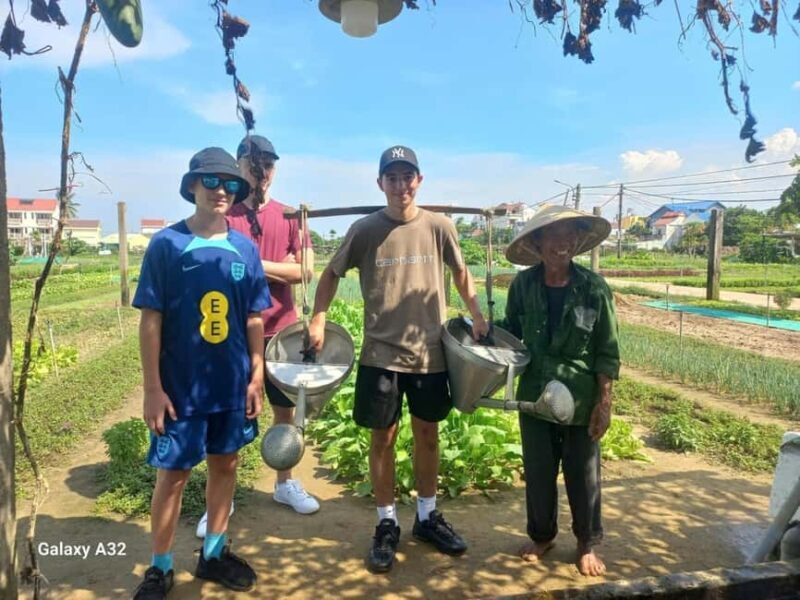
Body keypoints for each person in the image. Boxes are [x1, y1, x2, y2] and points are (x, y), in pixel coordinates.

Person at [308, 145, 490, 573]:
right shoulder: (365, 229)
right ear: (380, 184)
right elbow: (331, 273)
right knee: (382, 439)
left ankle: (427, 515)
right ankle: (386, 522)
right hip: (381, 355)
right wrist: (318, 318)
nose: (400, 185)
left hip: (431, 354)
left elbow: (461, 271)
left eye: (408, 176)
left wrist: (478, 312)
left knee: (428, 435)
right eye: (392, 177)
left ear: (419, 181)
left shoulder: (440, 227)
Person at [132, 147, 271, 598]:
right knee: (173, 474)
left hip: (230, 384)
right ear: (191, 185)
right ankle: (160, 565)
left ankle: (213, 552)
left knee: (225, 464)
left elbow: (253, 317)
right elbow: (150, 319)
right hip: (180, 388)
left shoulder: (245, 249)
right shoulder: (167, 245)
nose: (221, 191)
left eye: (231, 184)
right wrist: (153, 388)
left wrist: (256, 374)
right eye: (211, 181)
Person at [194, 135, 318, 537]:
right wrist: (275, 266)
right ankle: (222, 498)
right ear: (239, 167)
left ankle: (284, 484)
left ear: (275, 169)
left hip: (283, 329)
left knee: (285, 411)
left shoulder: (290, 216)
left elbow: (305, 272)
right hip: (232, 332)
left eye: (267, 163)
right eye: (252, 163)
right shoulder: (225, 214)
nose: (260, 171)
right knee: (230, 411)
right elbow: (216, 263)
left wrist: (250, 262)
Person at [500, 204, 620, 577]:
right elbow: (512, 333)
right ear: (537, 242)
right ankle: (542, 535)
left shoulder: (593, 288)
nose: (562, 242)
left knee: (583, 473)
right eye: (553, 234)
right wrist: (483, 333)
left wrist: (604, 402)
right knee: (537, 470)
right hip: (535, 392)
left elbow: (607, 348)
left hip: (581, 396)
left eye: (570, 235)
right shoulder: (523, 285)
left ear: (579, 241)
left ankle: (586, 543)